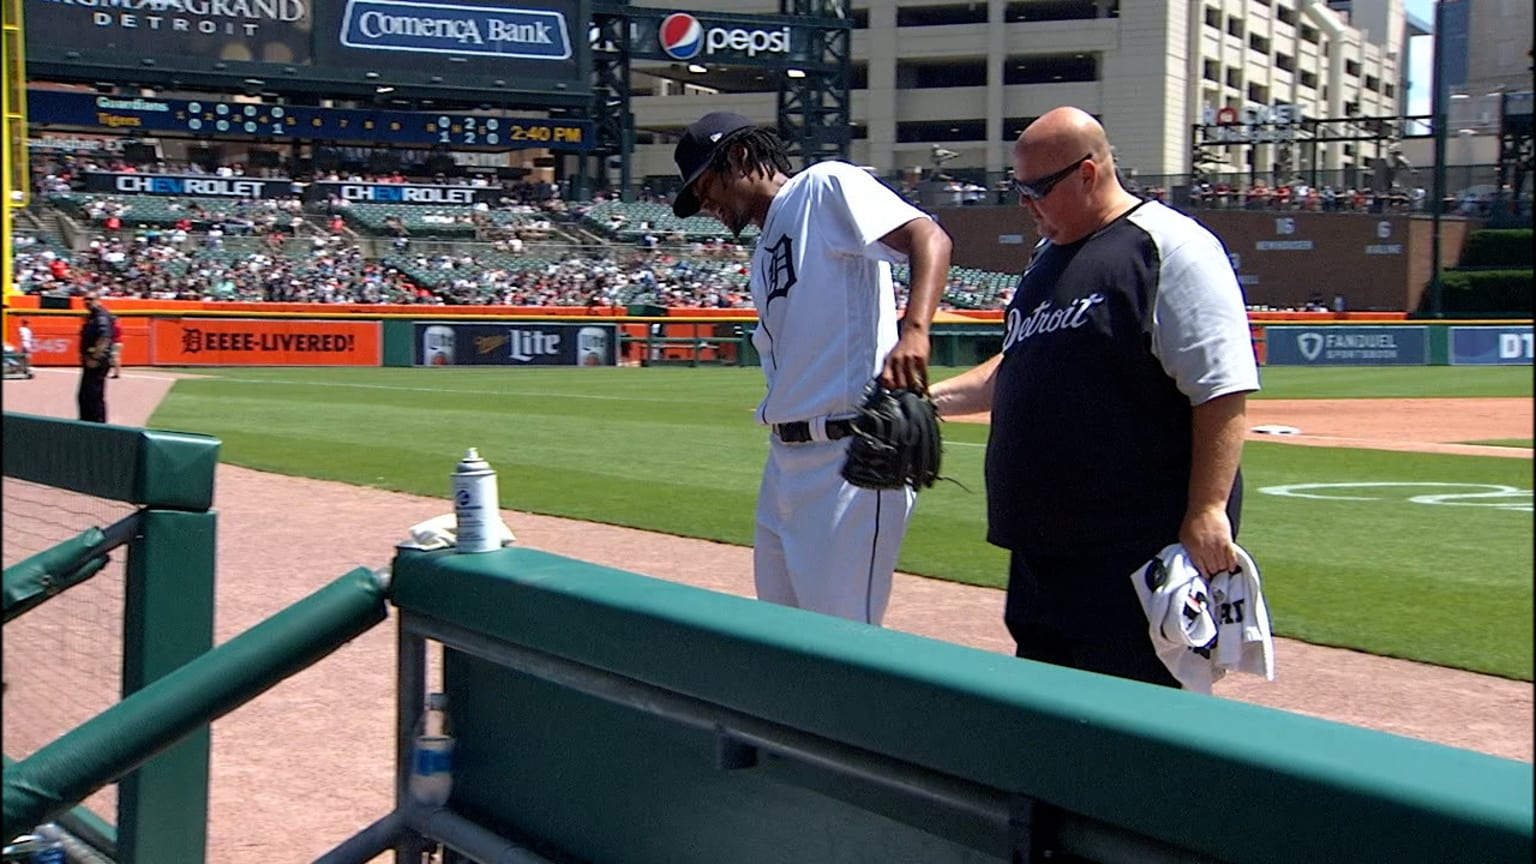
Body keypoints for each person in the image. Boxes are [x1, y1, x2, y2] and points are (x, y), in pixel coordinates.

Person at [927, 107, 1260, 688]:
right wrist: (925, 401)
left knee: (1139, 722)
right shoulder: (1046, 260)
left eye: (1037, 189)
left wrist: (1206, 510)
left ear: (1087, 173)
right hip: (1042, 551)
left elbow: (1221, 385)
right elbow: (1019, 368)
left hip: (1132, 554)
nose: (1025, 204)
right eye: (1017, 189)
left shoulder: (1168, 248)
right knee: (1051, 719)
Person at [671, 111, 950, 625]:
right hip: (784, 463)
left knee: (846, 651)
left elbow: (928, 237)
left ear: (736, 157)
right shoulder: (762, 251)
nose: (703, 202)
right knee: (786, 640)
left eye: (704, 185)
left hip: (847, 459)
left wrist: (915, 331)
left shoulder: (823, 187)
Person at [77, 291, 115, 423]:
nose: (87, 302)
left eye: (90, 299)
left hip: (97, 363)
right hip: (91, 361)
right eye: (85, 299)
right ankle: (87, 423)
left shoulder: (101, 316)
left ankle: (97, 426)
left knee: (93, 396)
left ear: (98, 300)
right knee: (85, 396)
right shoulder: (93, 316)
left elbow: (104, 338)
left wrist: (95, 358)